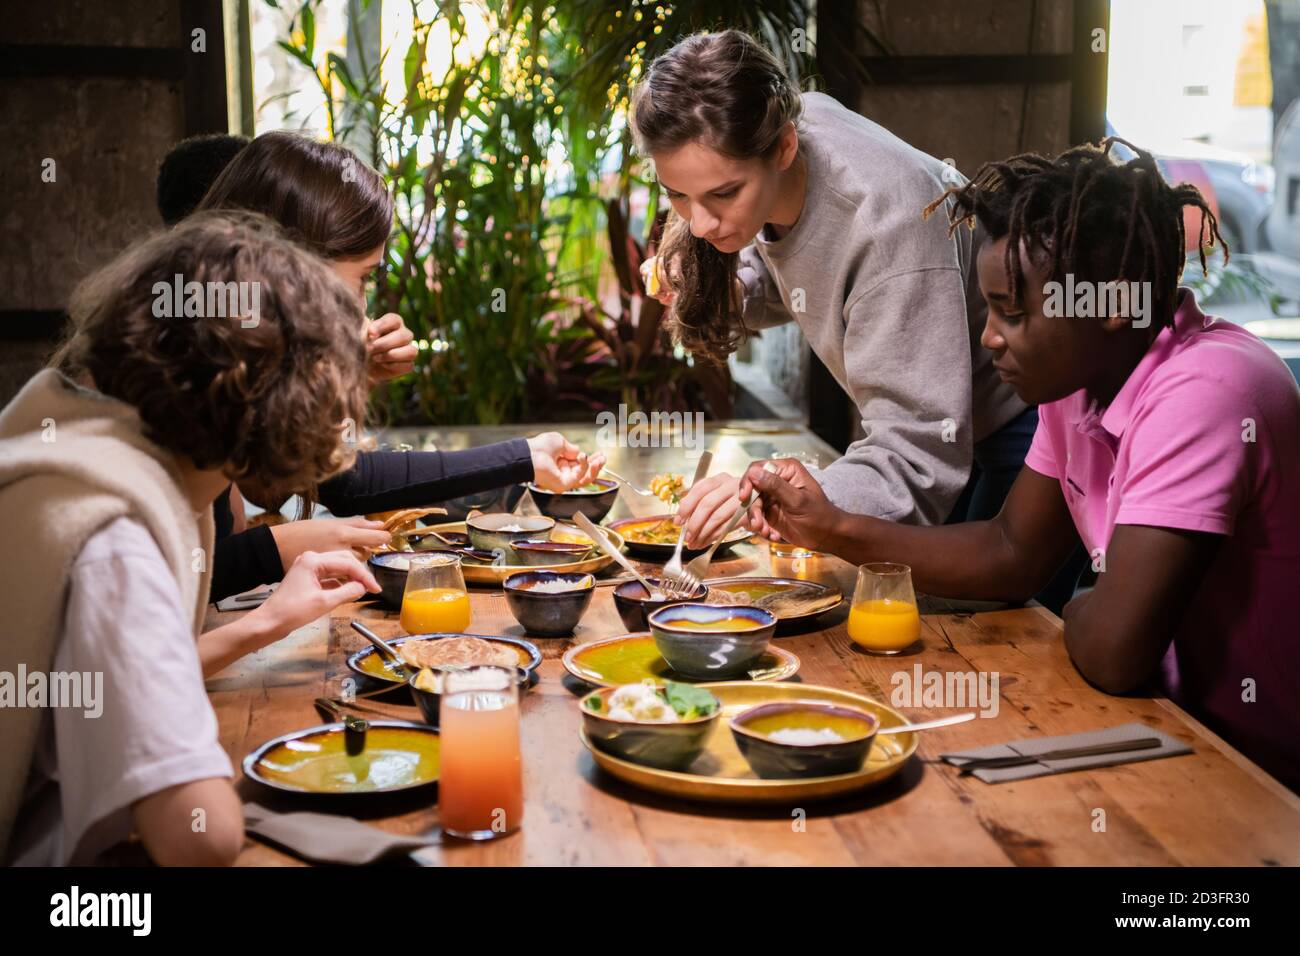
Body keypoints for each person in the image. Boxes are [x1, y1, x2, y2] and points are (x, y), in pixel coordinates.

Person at [737, 140, 1300, 791]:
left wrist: (1095, 600)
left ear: (1110, 305)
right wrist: (833, 528)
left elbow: (1116, 651)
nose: (989, 337)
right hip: (1167, 730)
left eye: (1014, 312)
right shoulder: (1079, 382)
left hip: (1259, 771)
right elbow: (1011, 553)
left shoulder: (1208, 390)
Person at [1, 212, 385, 864]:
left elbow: (109, 682)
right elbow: (199, 837)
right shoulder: (119, 539)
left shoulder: (87, 464)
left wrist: (265, 623)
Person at [631, 30, 1032, 551]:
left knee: (998, 615)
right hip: (943, 427)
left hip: (1022, 421)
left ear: (784, 147)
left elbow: (917, 452)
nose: (701, 224)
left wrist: (765, 494)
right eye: (678, 195)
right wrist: (736, 289)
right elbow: (810, 262)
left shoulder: (889, 226)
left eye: (724, 194)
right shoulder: (789, 119)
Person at [171, 131, 605, 599]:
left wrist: (525, 456)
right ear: (293, 269)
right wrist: (281, 547)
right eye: (361, 281)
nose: (362, 308)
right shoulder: (179, 375)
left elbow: (341, 480)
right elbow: (182, 578)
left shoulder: (225, 344)